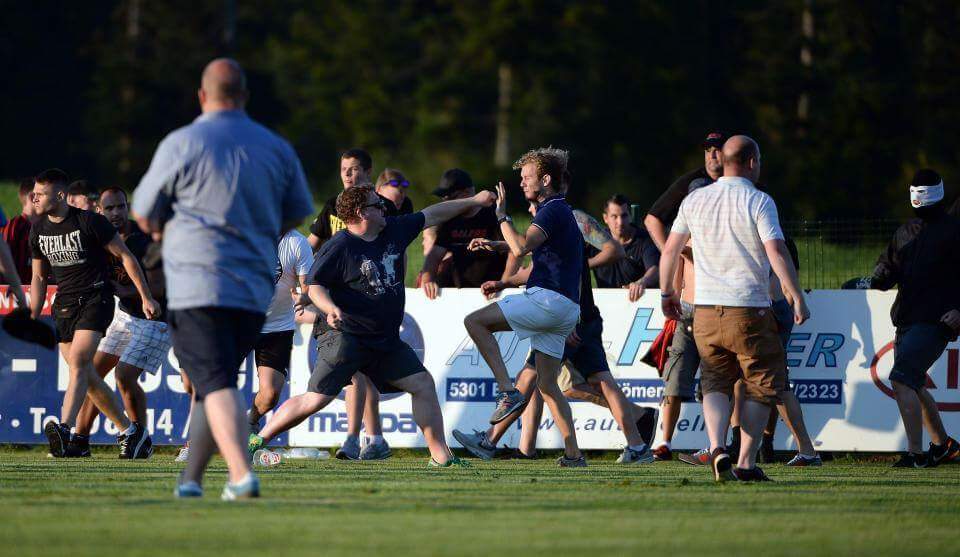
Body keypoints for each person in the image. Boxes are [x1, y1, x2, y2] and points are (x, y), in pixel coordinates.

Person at [132, 58, 313, 499]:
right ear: (245, 96)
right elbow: (296, 211)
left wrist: (165, 229)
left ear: (201, 95)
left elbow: (142, 210)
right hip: (253, 287)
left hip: (198, 282)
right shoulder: (275, 146)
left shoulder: (183, 141)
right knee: (213, 381)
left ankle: (240, 474)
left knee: (215, 381)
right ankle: (191, 480)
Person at [249, 185, 495, 466]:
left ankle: (441, 458)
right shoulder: (339, 246)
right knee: (316, 399)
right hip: (345, 336)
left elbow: (433, 213)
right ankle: (258, 439)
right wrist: (330, 308)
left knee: (422, 384)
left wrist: (472, 200)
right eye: (377, 204)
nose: (384, 208)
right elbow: (315, 287)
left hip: (383, 340)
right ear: (360, 213)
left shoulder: (393, 229)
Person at [455, 199, 655, 463]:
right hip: (579, 314)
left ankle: (490, 440)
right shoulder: (558, 225)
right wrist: (503, 277)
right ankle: (637, 445)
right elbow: (537, 264)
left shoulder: (571, 217)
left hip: (573, 315)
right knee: (589, 380)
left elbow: (611, 250)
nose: (529, 207)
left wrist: (580, 267)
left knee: (530, 378)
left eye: (530, 189)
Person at [659, 136, 810, 482]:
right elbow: (777, 251)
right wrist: (794, 293)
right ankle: (744, 462)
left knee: (714, 381)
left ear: (723, 160)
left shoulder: (695, 199)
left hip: (705, 310)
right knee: (761, 382)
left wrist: (667, 293)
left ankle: (716, 447)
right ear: (753, 162)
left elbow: (670, 251)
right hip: (749, 308)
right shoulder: (759, 200)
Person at [462, 147, 587, 467]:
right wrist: (496, 245)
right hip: (565, 308)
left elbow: (521, 247)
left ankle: (508, 390)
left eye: (526, 177)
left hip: (547, 301)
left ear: (546, 180)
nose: (521, 183)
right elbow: (534, 250)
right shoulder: (560, 210)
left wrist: (501, 215)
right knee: (547, 385)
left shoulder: (551, 210)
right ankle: (573, 455)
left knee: (475, 322)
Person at [30, 169, 159, 459]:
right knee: (86, 374)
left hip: (95, 299)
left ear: (60, 196)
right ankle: (130, 431)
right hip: (63, 305)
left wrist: (146, 296)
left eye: (41, 193)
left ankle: (65, 429)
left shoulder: (90, 222)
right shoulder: (38, 229)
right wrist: (33, 314)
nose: (34, 197)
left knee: (78, 362)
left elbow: (126, 256)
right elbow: (38, 278)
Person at [870, 168, 960, 468]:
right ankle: (943, 445)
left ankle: (915, 453)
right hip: (907, 318)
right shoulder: (906, 231)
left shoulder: (953, 230)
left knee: (901, 379)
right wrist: (880, 275)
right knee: (915, 382)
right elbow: (888, 268)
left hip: (936, 321)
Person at [643, 133, 724, 461]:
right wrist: (672, 256)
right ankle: (664, 441)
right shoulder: (689, 190)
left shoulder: (737, 195)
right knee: (675, 376)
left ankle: (716, 444)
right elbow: (652, 219)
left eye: (718, 149)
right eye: (708, 150)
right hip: (688, 306)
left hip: (719, 306)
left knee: (715, 379)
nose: (712, 155)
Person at [307, 148, 391, 460]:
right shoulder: (332, 206)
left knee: (363, 372)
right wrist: (302, 280)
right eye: (344, 169)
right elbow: (310, 245)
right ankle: (362, 438)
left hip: (371, 300)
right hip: (339, 302)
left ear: (369, 172)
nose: (347, 175)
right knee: (355, 373)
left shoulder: (383, 207)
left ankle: (370, 437)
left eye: (354, 169)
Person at [72, 187, 166, 458]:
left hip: (155, 319)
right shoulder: (99, 237)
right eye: (109, 208)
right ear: (99, 211)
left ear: (128, 207)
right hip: (124, 316)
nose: (116, 213)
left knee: (124, 376)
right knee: (90, 372)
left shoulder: (145, 240)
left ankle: (140, 440)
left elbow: (159, 288)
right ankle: (80, 440)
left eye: (121, 207)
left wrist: (114, 290)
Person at [248, 229, 313, 435]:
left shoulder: (298, 242)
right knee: (215, 386)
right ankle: (195, 442)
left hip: (278, 327)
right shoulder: (243, 233)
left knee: (269, 397)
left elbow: (309, 286)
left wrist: (305, 297)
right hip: (238, 325)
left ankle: (248, 424)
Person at [420, 168, 518, 298]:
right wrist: (428, 281)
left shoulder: (495, 214)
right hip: (463, 294)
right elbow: (434, 256)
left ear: (467, 193)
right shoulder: (449, 220)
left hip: (494, 292)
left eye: (450, 198)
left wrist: (503, 284)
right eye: (443, 199)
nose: (446, 204)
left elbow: (514, 251)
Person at [594, 194, 660, 301]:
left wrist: (642, 282)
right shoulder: (595, 241)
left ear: (630, 216)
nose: (620, 222)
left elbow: (655, 269)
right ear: (605, 218)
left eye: (624, 216)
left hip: (636, 301)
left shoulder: (644, 240)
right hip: (603, 304)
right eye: (614, 216)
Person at [2, 178, 39, 284]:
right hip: (17, 296)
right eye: (43, 194)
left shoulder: (49, 228)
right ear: (32, 197)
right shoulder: (14, 227)